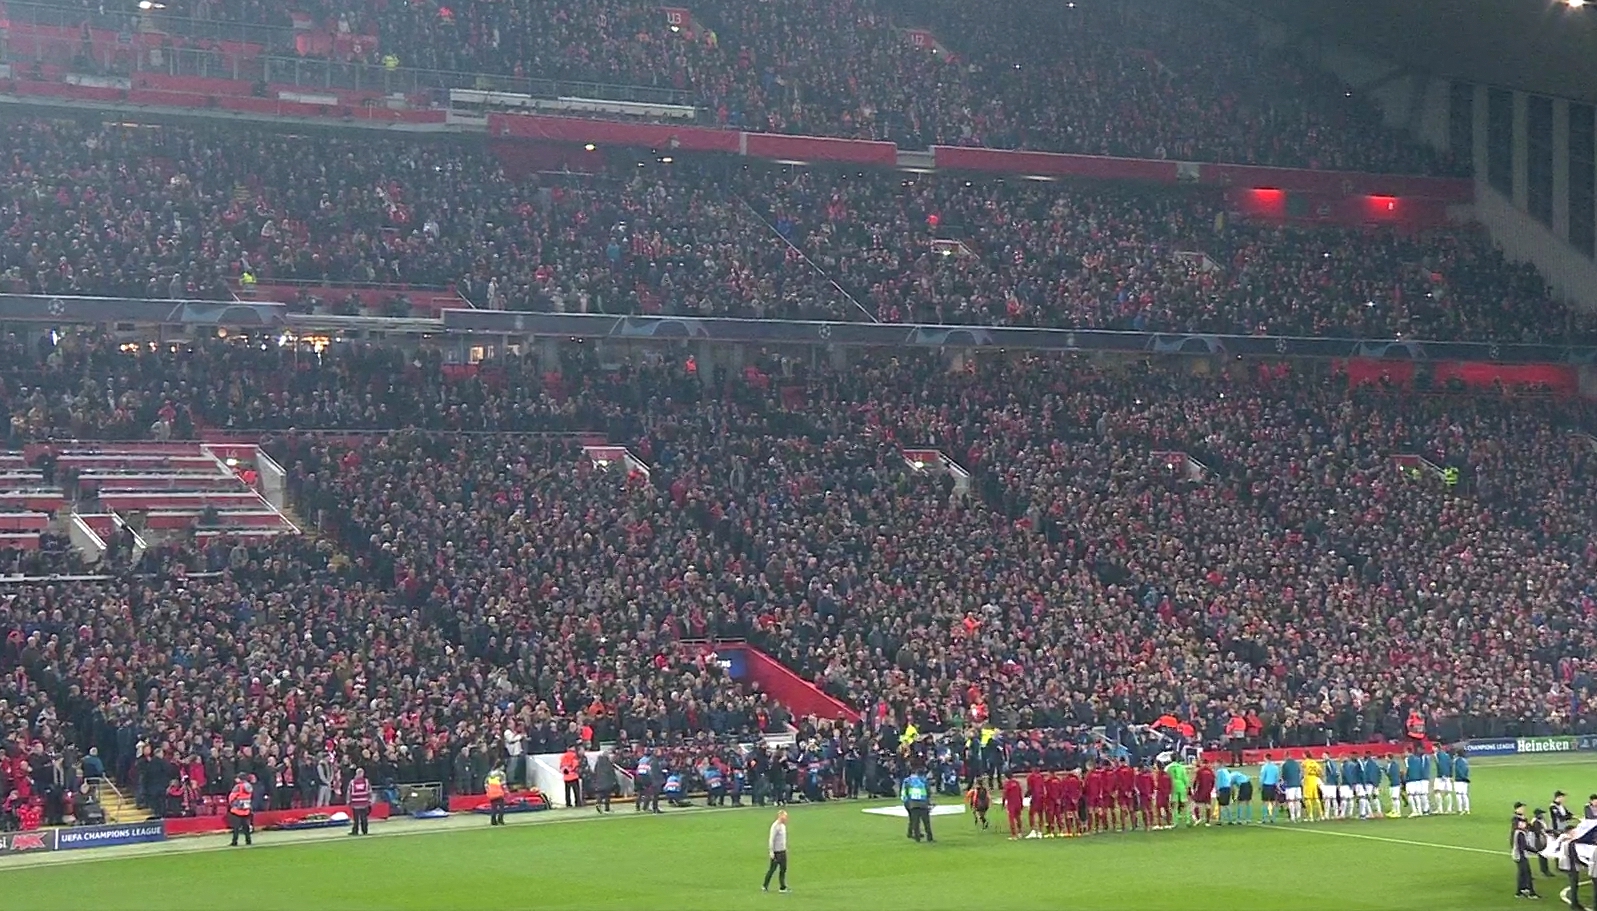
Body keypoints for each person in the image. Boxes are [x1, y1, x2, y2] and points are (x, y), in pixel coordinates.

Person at [902, 766, 933, 843]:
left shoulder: (907, 781)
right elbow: (928, 792)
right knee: (926, 822)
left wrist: (906, 801)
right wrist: (928, 801)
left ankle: (917, 837)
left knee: (915, 821)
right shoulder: (923, 780)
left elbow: (905, 792)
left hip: (912, 803)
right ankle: (929, 837)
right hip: (923, 803)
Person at [1513, 817, 1541, 899]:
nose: (1524, 824)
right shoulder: (1520, 833)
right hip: (1521, 856)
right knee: (1527, 874)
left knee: (1521, 874)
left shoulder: (1518, 832)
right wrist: (1535, 851)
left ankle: (1520, 891)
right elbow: (1523, 846)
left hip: (1518, 856)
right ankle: (1531, 893)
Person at [763, 810, 790, 894]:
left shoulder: (783, 826)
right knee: (772, 869)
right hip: (776, 852)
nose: (786, 818)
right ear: (780, 816)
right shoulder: (775, 826)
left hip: (782, 851)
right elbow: (771, 839)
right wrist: (771, 852)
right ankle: (765, 885)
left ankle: (782, 887)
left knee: (783, 869)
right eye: (784, 817)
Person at [227, 775, 253, 847]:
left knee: (236, 827)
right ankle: (248, 840)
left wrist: (231, 804)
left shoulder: (238, 787)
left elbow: (232, 796)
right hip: (246, 809)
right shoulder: (249, 786)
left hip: (237, 809)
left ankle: (234, 841)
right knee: (246, 827)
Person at [1164, 757, 1191, 828]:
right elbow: (1185, 777)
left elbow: (1165, 778)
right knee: (1185, 803)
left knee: (1174, 805)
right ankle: (1188, 820)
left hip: (1173, 786)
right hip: (1181, 785)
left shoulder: (1168, 768)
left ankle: (1175, 822)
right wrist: (1187, 786)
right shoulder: (1181, 767)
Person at [1405, 748, 1431, 817]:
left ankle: (1415, 811)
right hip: (1419, 779)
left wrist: (1405, 778)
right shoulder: (1418, 759)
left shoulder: (1407, 759)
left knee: (1411, 795)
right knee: (1418, 795)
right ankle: (1421, 811)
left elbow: (1408, 769)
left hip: (1412, 779)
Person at [347, 767, 372, 836]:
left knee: (356, 819)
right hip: (364, 802)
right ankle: (365, 830)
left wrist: (349, 801)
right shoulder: (366, 781)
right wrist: (370, 800)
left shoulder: (352, 782)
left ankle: (355, 831)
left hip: (355, 803)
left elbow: (349, 792)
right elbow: (369, 791)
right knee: (364, 817)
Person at [1191, 761, 1216, 827]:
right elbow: (1213, 781)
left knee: (1195, 804)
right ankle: (1207, 822)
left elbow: (1196, 781)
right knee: (1208, 805)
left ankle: (1198, 818)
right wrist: (1210, 789)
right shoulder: (1210, 771)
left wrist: (1193, 788)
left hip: (1201, 789)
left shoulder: (1200, 771)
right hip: (1208, 791)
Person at [1001, 773, 1025, 840]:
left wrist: (1003, 803)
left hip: (1011, 804)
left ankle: (1014, 835)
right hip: (1018, 802)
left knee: (1011, 819)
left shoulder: (1007, 784)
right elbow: (1020, 793)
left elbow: (1004, 794)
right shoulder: (1017, 783)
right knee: (1018, 818)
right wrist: (1021, 803)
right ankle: (1020, 832)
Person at [1281, 754, 1304, 823]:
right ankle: (1299, 816)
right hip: (1297, 784)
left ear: (1285, 757)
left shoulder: (1285, 765)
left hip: (1290, 785)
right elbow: (1300, 772)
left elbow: (1284, 775)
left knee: (1290, 801)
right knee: (1298, 801)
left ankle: (1293, 816)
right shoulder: (1296, 763)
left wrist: (1284, 780)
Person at [1258, 754, 1281, 824]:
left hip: (1266, 785)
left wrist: (1260, 785)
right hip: (1273, 786)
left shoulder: (1264, 767)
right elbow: (1277, 777)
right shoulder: (1275, 767)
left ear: (1265, 758)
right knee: (1273, 802)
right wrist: (1277, 785)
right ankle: (1273, 818)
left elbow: (1262, 777)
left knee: (1265, 802)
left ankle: (1264, 818)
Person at [1434, 746, 1455, 815]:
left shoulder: (1438, 755)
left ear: (1437, 748)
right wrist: (1450, 775)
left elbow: (1441, 764)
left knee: (1437, 791)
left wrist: (1443, 774)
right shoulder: (1447, 755)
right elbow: (1450, 765)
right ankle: (1449, 809)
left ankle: (1440, 809)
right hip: (1447, 776)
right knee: (1447, 792)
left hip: (1441, 776)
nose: (1432, 749)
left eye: (1433, 747)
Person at [1385, 754, 1406, 819]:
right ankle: (1394, 811)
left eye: (1386, 757)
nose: (1385, 758)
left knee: (1395, 798)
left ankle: (1398, 812)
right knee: (1392, 798)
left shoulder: (1394, 765)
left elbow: (1395, 774)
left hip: (1395, 784)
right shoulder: (1389, 765)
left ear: (1389, 758)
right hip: (1392, 784)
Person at [1453, 749, 1471, 815]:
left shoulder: (1457, 761)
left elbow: (1458, 770)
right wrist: (1465, 778)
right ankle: (1467, 809)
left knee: (1458, 795)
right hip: (1465, 780)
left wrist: (1462, 777)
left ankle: (1460, 809)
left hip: (1459, 780)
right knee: (1465, 795)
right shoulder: (1465, 761)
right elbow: (1467, 770)